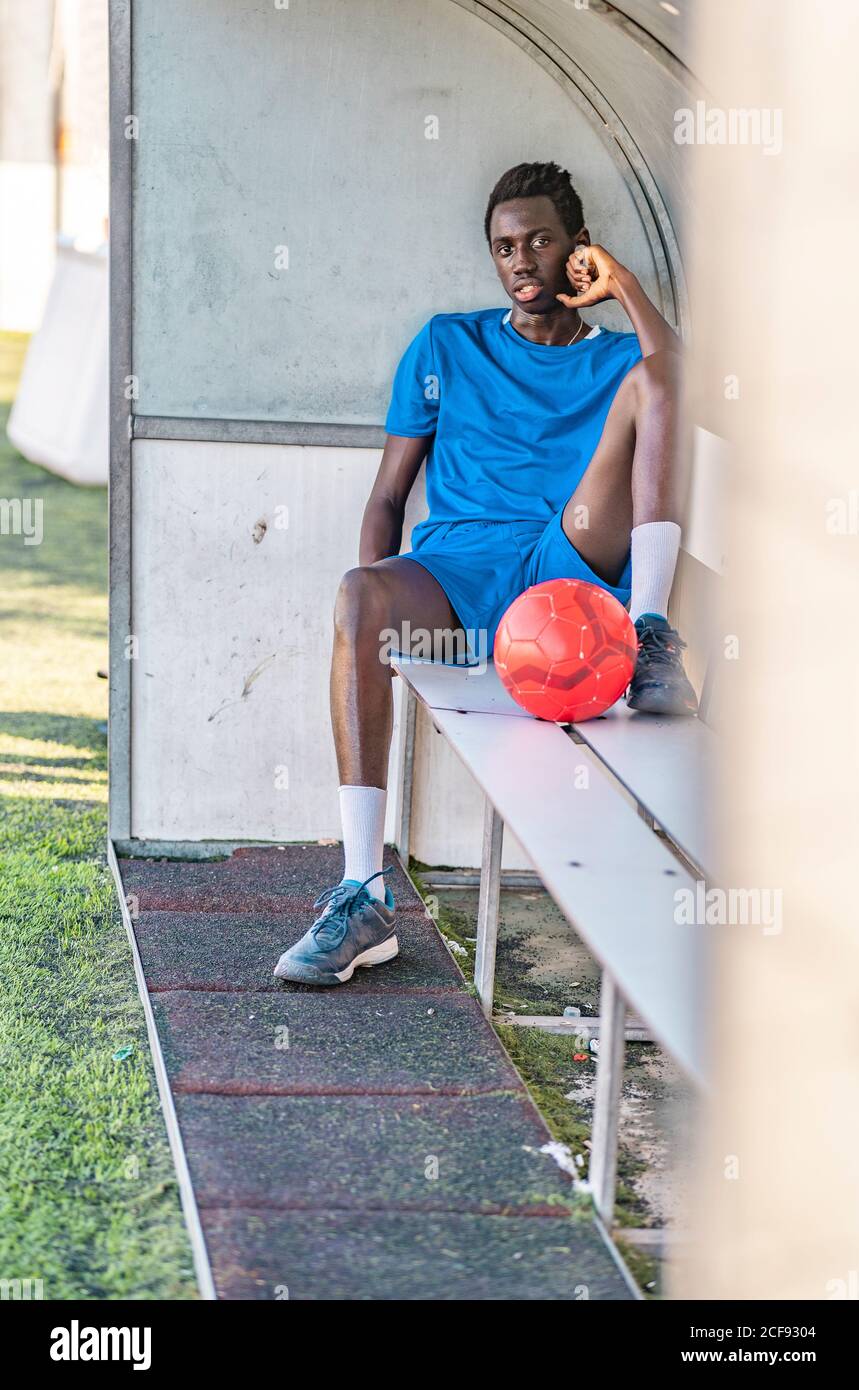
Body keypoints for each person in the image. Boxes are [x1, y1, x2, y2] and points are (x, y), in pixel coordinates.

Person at [275, 161, 696, 986]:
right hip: (458, 575)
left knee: (655, 379)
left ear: (578, 249)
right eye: (505, 247)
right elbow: (389, 494)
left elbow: (677, 384)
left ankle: (650, 634)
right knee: (359, 595)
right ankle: (362, 893)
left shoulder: (615, 357)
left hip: (564, 562)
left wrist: (628, 292)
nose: (521, 260)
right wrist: (377, 626)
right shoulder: (446, 344)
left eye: (541, 241)